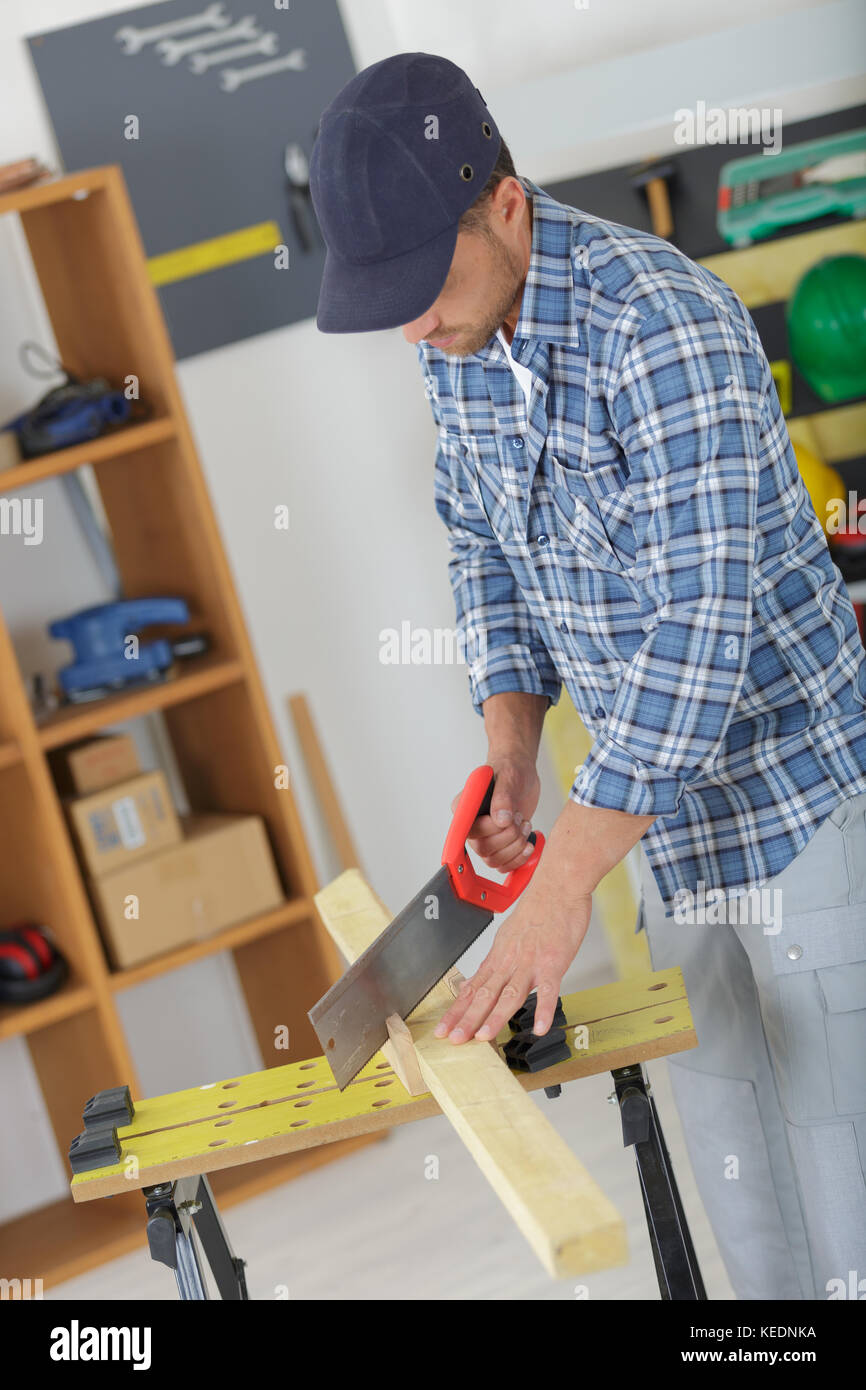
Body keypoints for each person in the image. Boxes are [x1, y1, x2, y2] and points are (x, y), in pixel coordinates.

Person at [309, 52, 866, 1300]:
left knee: (848, 1211)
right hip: (658, 832)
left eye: (420, 284)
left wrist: (559, 889)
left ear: (504, 206)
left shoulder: (659, 327)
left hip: (798, 812)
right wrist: (512, 739)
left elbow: (699, 634)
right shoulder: (455, 330)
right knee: (747, 1207)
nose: (411, 323)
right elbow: (480, 536)